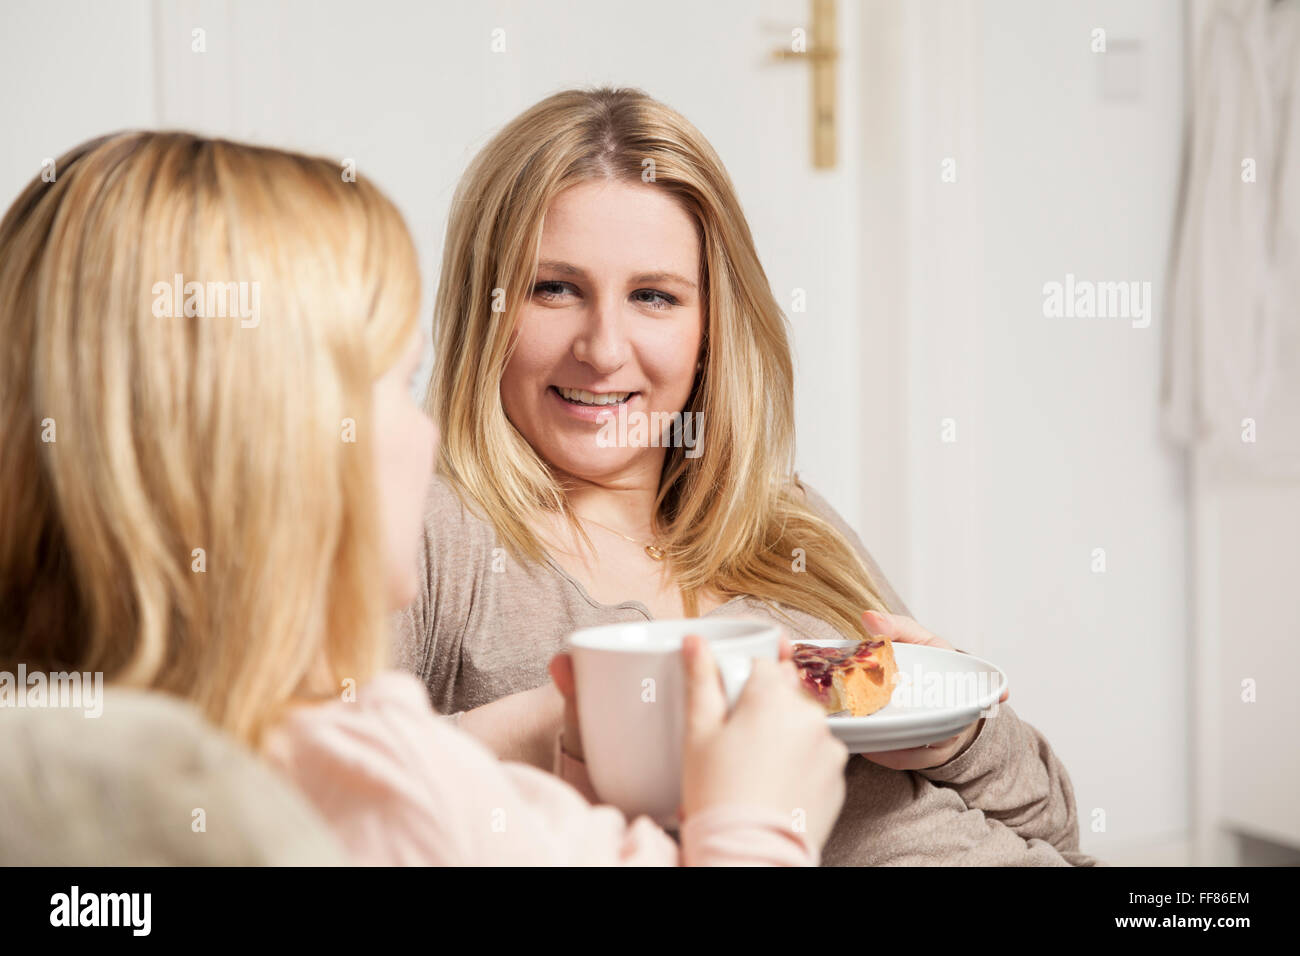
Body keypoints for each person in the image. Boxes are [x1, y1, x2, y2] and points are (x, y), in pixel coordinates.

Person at [0, 130, 847, 865]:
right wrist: (756, 826)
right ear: (272, 459)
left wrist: (544, 749)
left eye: (655, 295)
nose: (430, 431)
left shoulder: (347, 759)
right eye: (399, 386)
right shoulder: (382, 793)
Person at [400, 87, 1100, 866]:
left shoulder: (781, 518)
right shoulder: (432, 528)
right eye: (554, 288)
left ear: (710, 329)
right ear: (485, 306)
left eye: (653, 296)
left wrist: (958, 734)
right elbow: (306, 810)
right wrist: (557, 730)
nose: (602, 349)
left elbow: (1058, 827)